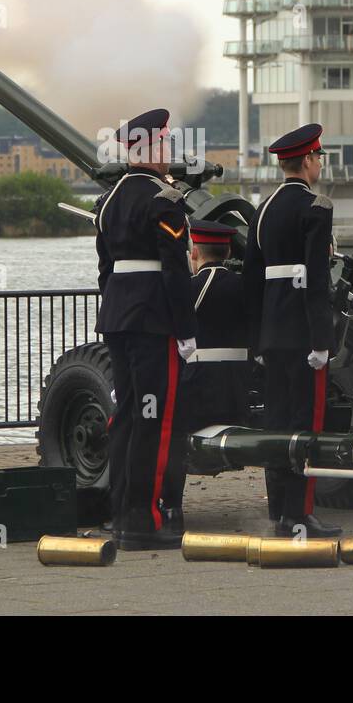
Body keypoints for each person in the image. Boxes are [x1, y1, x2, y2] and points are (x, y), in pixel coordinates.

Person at [94, 108, 196, 551]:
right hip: (154, 320)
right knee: (156, 418)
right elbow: (175, 271)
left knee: (127, 417)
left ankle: (120, 514)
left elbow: (105, 270)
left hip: (118, 316)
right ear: (151, 147)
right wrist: (187, 328)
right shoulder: (164, 200)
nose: (170, 150)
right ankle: (146, 520)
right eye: (166, 142)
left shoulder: (110, 200)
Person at [243, 123, 342, 539]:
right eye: (318, 158)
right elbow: (316, 282)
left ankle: (278, 510)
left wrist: (257, 340)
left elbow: (252, 282)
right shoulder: (316, 207)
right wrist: (322, 340)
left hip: (272, 335)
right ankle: (299, 514)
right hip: (302, 336)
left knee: (277, 423)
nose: (319, 165)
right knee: (305, 426)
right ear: (307, 161)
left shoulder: (262, 209)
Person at [158, 218, 250, 533]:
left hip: (201, 387)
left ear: (194, 251)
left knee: (170, 435)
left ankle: (171, 507)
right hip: (239, 388)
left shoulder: (192, 288)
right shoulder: (244, 286)